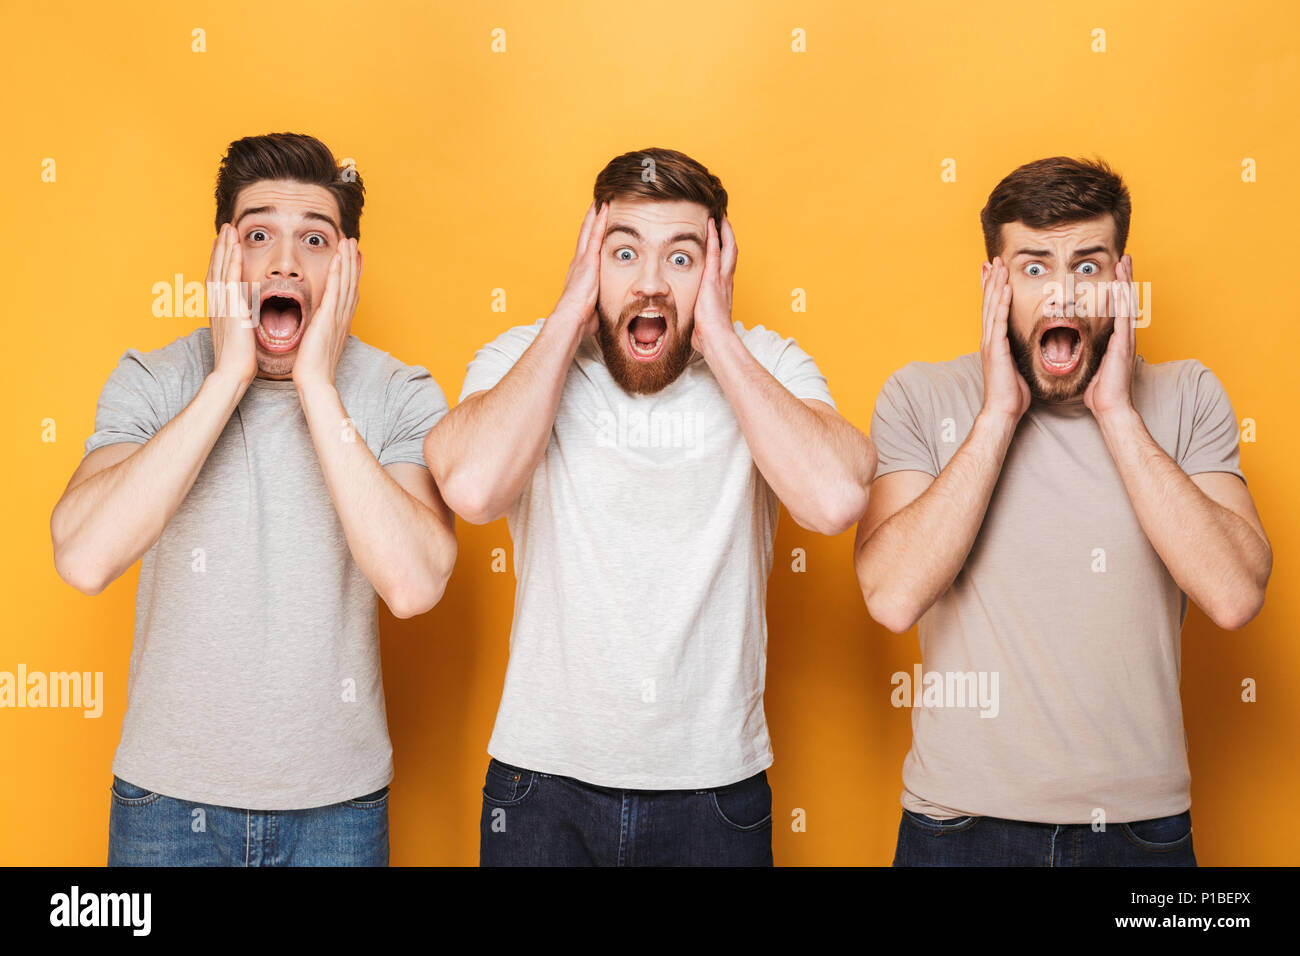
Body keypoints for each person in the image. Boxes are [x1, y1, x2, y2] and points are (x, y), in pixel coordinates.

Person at [424, 146, 876, 866]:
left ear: (719, 270)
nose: (652, 284)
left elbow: (835, 499)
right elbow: (473, 490)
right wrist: (572, 311)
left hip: (714, 793)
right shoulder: (527, 358)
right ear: (588, 260)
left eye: (681, 258)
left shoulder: (769, 364)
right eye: (624, 252)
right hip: (540, 786)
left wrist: (720, 338)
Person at [50, 132, 458, 866]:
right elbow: (83, 557)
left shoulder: (399, 393)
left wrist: (316, 386)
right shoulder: (155, 379)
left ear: (348, 264)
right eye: (258, 234)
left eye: (315, 239)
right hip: (165, 805)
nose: (283, 262)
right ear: (223, 256)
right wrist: (226, 378)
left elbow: (414, 582)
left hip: (338, 812)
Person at [855, 156, 1272, 866]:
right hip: (957, 830)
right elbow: (891, 597)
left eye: (1087, 267)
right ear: (995, 282)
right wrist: (996, 417)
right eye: (1034, 267)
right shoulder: (920, 398)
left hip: (1140, 833)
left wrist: (1116, 414)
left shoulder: (1189, 395)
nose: (1063, 298)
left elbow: (1234, 594)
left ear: (1121, 282)